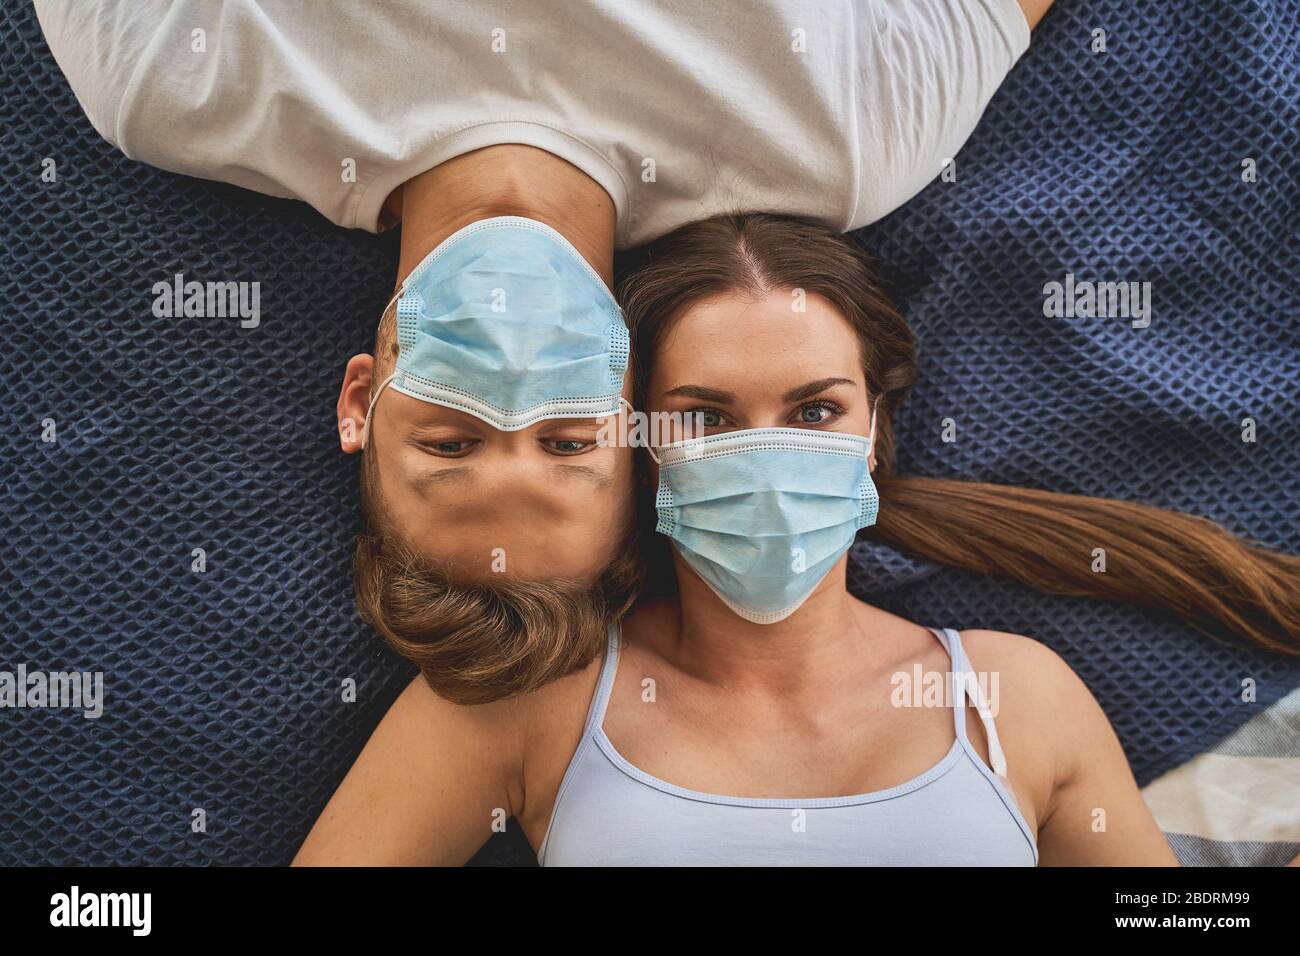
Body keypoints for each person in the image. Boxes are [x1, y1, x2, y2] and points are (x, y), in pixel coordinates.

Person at [35, 0, 1050, 699]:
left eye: (449, 440)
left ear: (361, 396)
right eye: (568, 441)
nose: (512, 385)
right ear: (639, 404)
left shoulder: (169, 90)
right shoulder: (843, 145)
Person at [292, 214, 1300, 865]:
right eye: (706, 415)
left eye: (813, 411)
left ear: (872, 435)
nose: (764, 453)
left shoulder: (1012, 695)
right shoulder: (530, 696)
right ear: (638, 449)